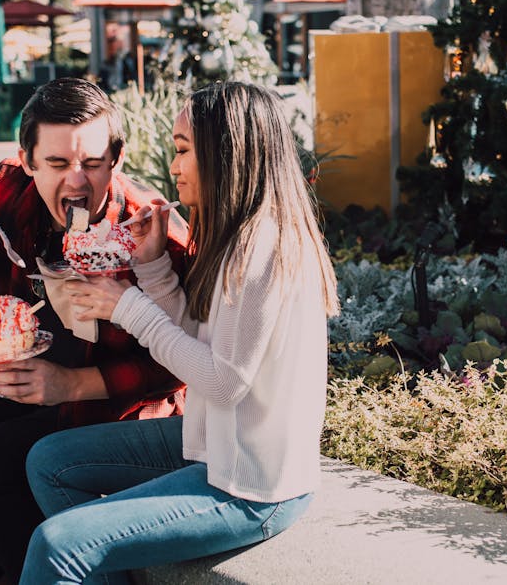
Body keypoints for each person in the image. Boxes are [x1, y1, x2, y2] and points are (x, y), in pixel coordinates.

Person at [19, 81, 340, 583]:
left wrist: (127, 306)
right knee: (49, 461)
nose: (173, 167)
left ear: (226, 154)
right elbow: (199, 341)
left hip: (254, 487)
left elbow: (222, 383)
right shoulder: (238, 235)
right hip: (216, 444)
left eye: (184, 151)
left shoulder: (265, 251)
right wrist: (152, 272)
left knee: (58, 545)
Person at [0, 77, 190, 585]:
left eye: (92, 163)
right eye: (58, 164)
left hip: (114, 401)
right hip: (31, 382)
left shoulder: (154, 233)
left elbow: (181, 364)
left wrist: (70, 385)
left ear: (118, 158)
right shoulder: (10, 191)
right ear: (29, 160)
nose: (77, 182)